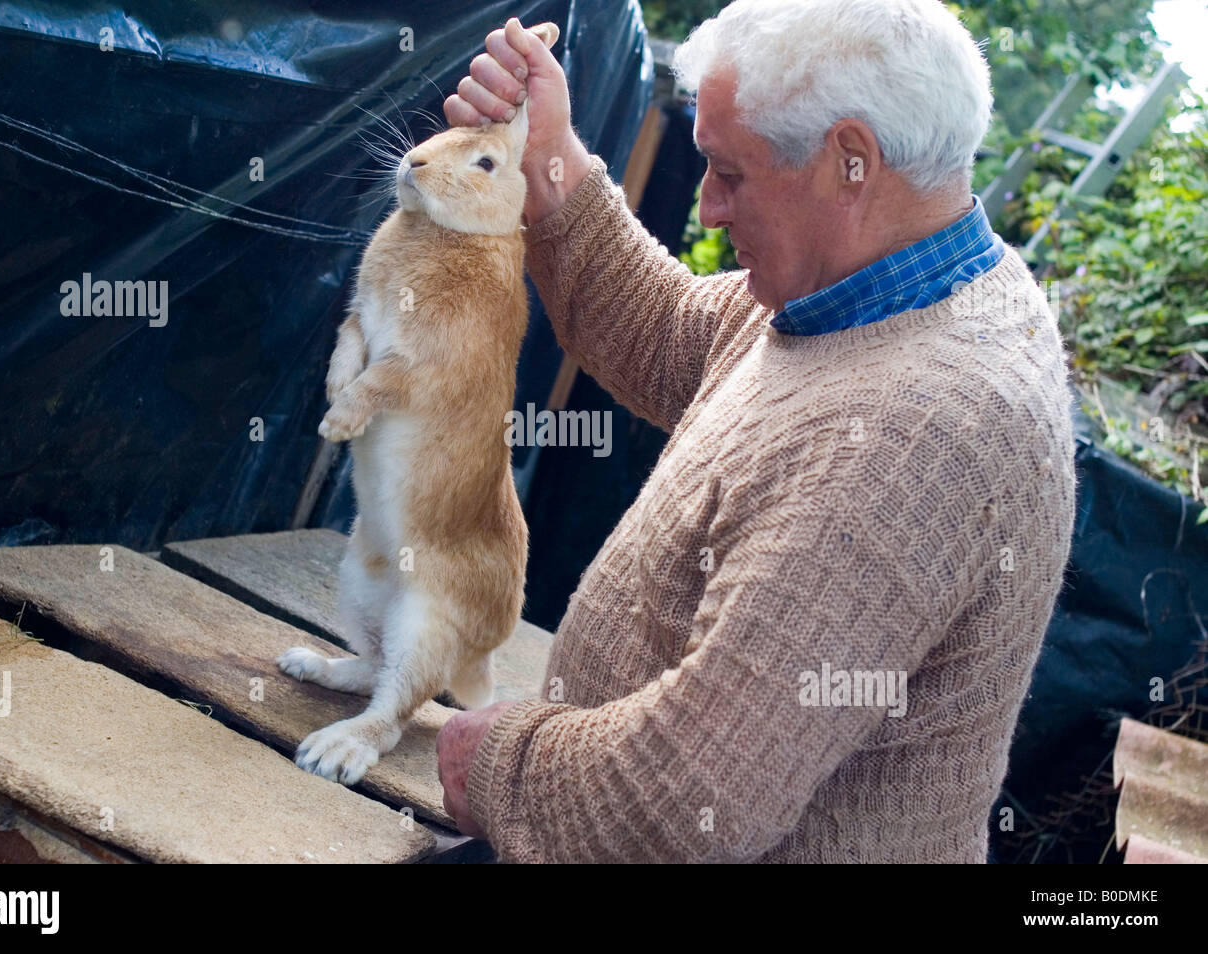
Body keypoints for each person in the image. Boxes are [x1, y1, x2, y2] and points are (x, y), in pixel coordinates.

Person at [435, 1, 1077, 863]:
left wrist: (499, 767)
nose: (706, 209)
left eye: (728, 172)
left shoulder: (915, 439)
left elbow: (686, 800)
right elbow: (671, 334)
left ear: (851, 160)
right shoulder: (885, 284)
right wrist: (545, 160)